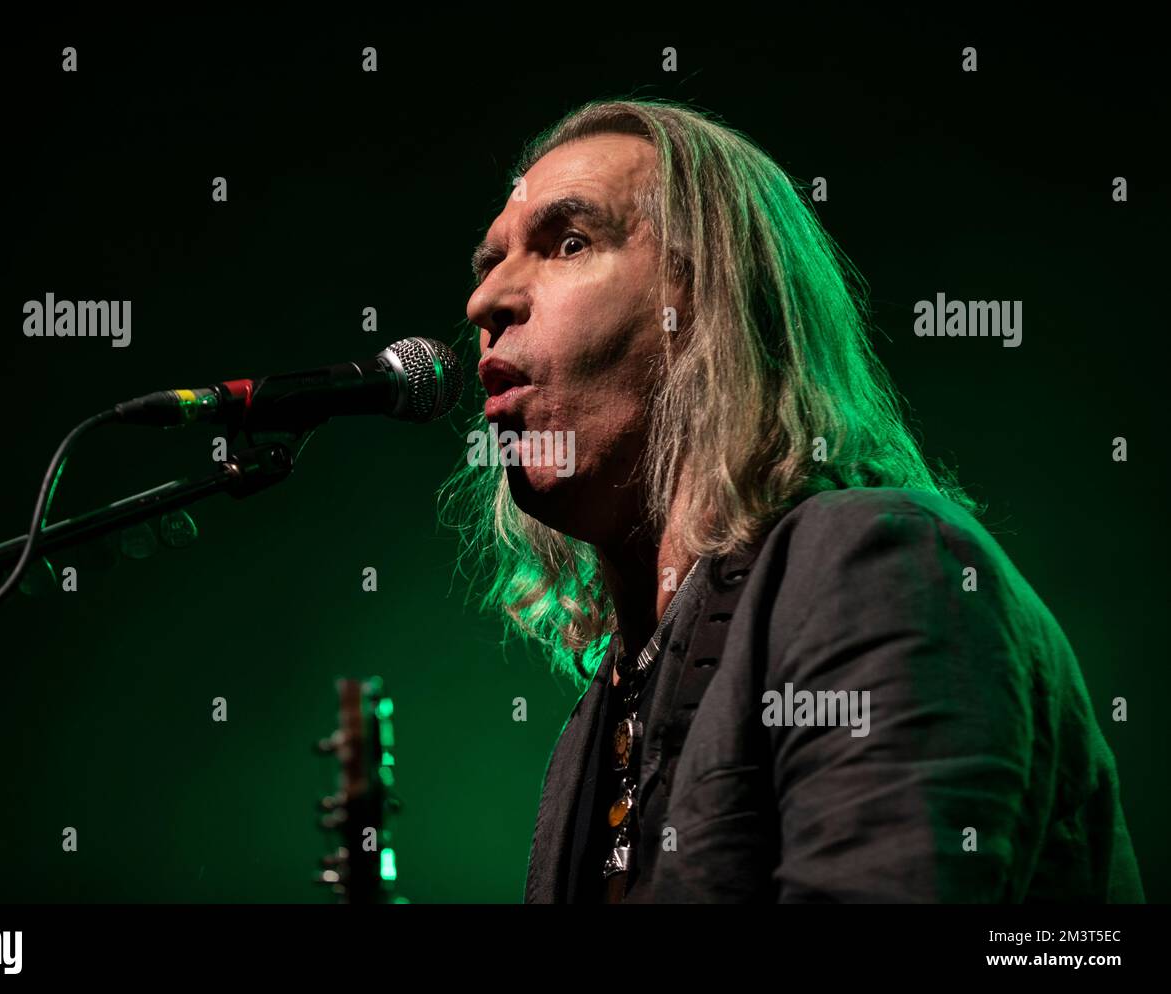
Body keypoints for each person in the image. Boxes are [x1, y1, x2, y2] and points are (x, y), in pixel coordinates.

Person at [442, 98, 1143, 903]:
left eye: (569, 242)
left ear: (710, 304)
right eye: (488, 263)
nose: (486, 301)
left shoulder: (882, 563)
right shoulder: (595, 719)